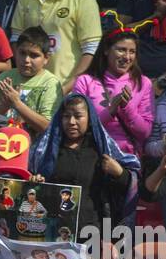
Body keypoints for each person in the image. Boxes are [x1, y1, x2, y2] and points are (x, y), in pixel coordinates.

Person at [28, 94, 138, 237]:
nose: (72, 122)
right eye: (66, 116)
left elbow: (127, 187)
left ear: (90, 118)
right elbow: (30, 187)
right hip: (52, 232)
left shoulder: (102, 150)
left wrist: (119, 173)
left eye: (78, 116)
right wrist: (35, 183)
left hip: (91, 231)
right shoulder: (46, 152)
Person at [7, 0, 100, 89]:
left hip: (65, 87)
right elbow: (16, 38)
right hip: (29, 88)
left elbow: (91, 49)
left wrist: (68, 87)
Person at [72, 22, 153, 158]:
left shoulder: (143, 83)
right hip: (91, 154)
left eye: (132, 52)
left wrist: (127, 109)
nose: (127, 57)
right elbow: (77, 125)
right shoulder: (85, 81)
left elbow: (145, 132)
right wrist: (110, 111)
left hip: (127, 159)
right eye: (121, 50)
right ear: (106, 50)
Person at [0, 27, 60, 137]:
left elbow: (48, 127)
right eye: (22, 53)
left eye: (34, 55)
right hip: (2, 144)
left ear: (46, 58)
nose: (26, 60)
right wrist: (3, 106)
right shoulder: (4, 77)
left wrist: (17, 103)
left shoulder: (50, 83)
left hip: (35, 149)